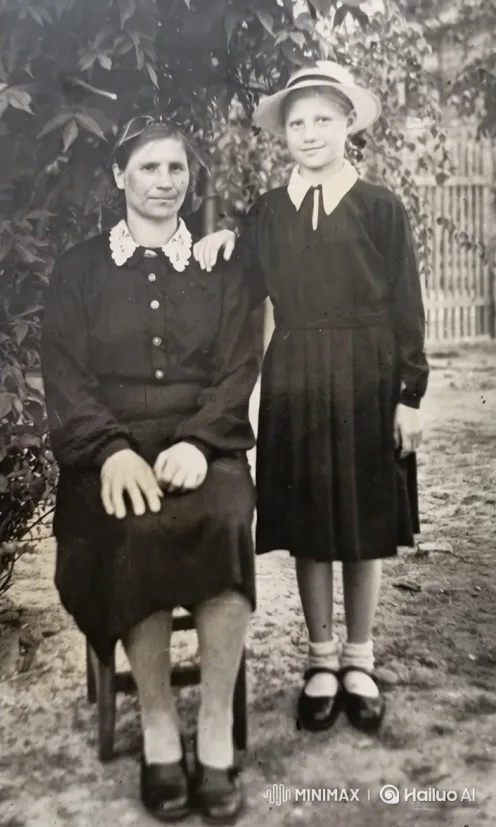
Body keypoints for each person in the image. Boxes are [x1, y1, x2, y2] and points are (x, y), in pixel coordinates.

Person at [194, 62, 429, 735]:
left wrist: (409, 394)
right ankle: (320, 659)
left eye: (323, 119)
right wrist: (219, 240)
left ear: (348, 124)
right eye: (297, 122)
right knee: (311, 522)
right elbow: (241, 277)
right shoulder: (269, 211)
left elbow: (408, 307)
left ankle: (360, 655)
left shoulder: (381, 206)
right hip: (296, 372)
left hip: (369, 375)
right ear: (283, 134)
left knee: (363, 519)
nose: (309, 132)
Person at [41, 116, 260, 824]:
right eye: (148, 169)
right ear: (118, 177)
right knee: (130, 525)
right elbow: (66, 378)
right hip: (110, 447)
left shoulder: (218, 264)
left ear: (189, 178)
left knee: (227, 516)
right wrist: (109, 450)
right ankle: (161, 728)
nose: (164, 183)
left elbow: (238, 367)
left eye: (176, 170)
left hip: (205, 442)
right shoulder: (78, 269)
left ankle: (216, 730)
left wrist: (200, 441)